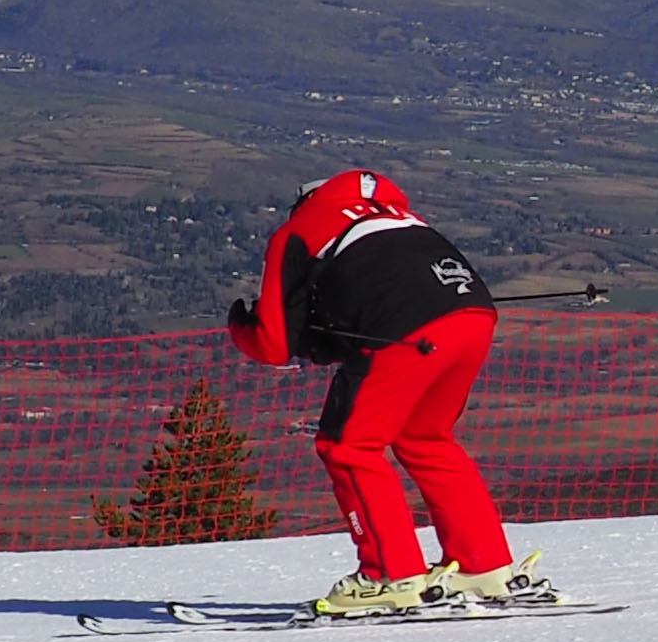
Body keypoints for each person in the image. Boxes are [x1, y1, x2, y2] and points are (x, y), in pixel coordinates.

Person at [227, 169, 557, 617]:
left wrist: (240, 327)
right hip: (474, 318)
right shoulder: (405, 219)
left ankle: (389, 574)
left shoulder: (300, 229)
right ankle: (486, 566)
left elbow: (274, 344)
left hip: (404, 333)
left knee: (348, 447)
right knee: (428, 440)